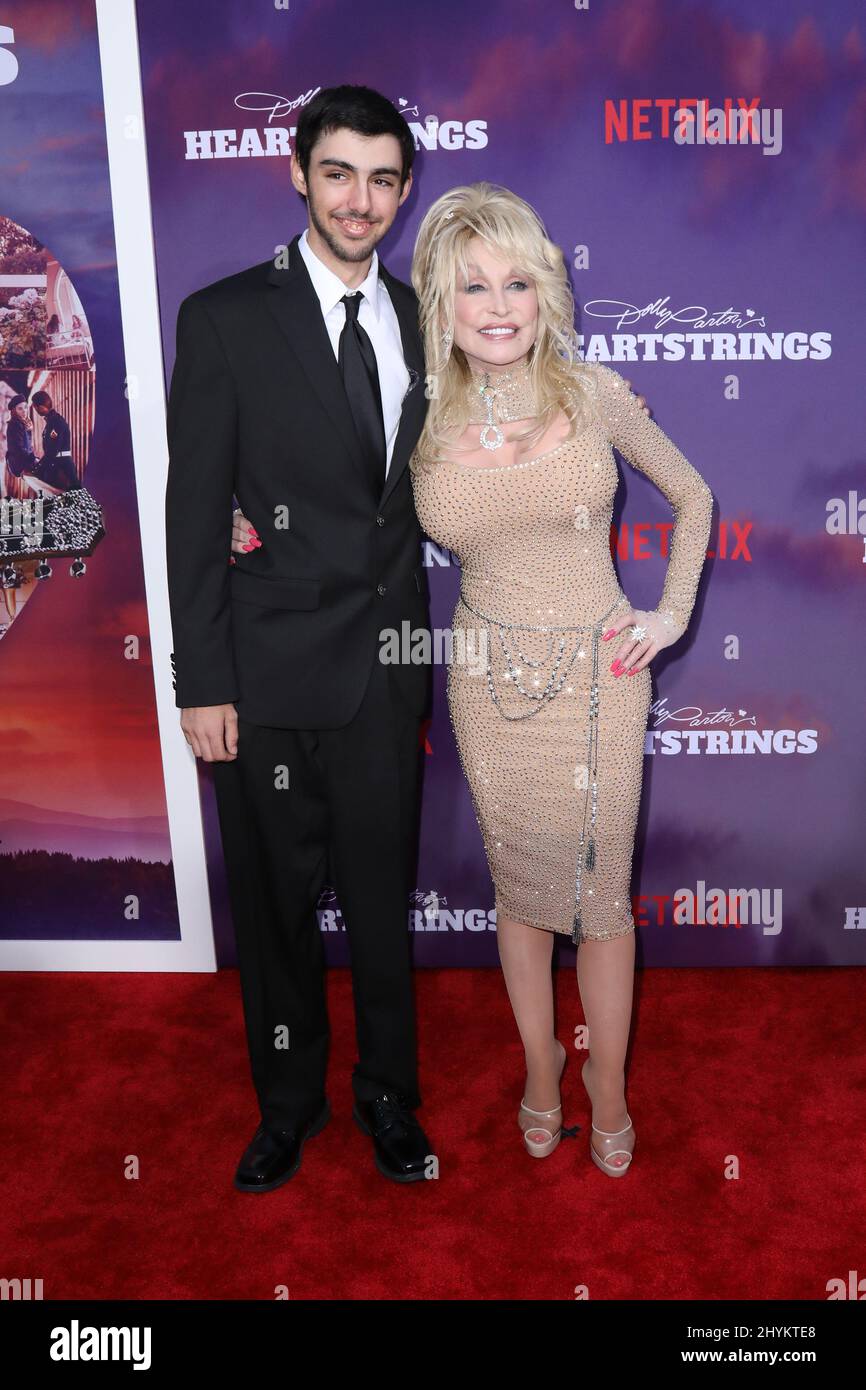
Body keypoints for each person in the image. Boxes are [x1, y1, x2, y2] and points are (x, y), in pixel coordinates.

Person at [235, 183, 713, 1178]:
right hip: (487, 684)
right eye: (470, 287)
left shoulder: (594, 395)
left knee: (601, 900)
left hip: (597, 679)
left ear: (543, 293)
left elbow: (693, 494)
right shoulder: (416, 418)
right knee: (521, 894)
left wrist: (665, 615)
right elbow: (325, 492)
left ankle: (606, 1083)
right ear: (440, 305)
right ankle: (541, 1068)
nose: (497, 306)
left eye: (516, 284)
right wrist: (244, 520)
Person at [164, 86, 435, 1192]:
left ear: (403, 192)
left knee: (380, 905)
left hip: (388, 673)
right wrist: (201, 679)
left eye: (380, 179)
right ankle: (288, 1107)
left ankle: (388, 1101)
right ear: (297, 173)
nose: (358, 200)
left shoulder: (428, 318)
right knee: (276, 916)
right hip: (265, 676)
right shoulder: (225, 316)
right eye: (338, 173)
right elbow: (195, 512)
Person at [31, 391, 80, 491]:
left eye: (35, 407)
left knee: (70, 498)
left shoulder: (55, 422)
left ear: (40, 407)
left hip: (62, 467)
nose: (35, 410)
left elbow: (53, 450)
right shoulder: (51, 422)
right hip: (58, 464)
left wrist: (38, 468)